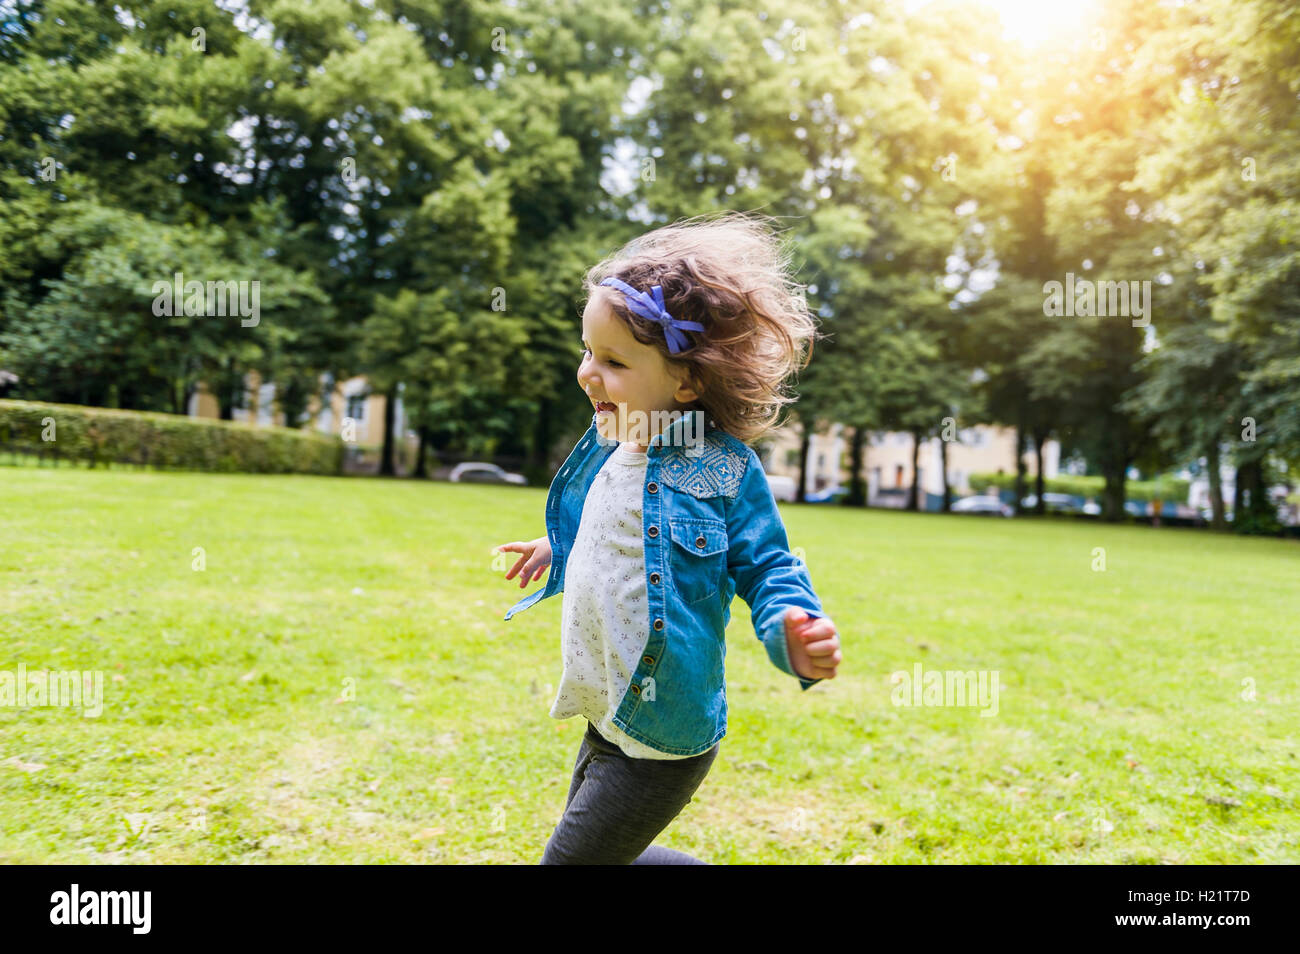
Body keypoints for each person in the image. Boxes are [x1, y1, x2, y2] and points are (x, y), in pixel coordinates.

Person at [494, 211, 842, 865]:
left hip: (665, 729)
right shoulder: (610, 438)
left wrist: (791, 630)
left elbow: (767, 567)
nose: (587, 374)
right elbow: (604, 520)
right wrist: (555, 546)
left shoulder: (723, 469)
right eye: (587, 352)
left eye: (614, 361)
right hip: (610, 709)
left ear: (685, 380)